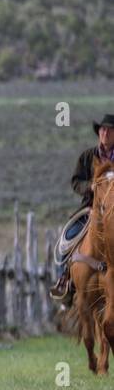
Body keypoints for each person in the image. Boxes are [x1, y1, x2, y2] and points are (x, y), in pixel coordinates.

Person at [52, 114, 114, 299]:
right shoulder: (87, 156)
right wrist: (90, 186)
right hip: (91, 208)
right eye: (103, 129)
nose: (105, 133)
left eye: (110, 130)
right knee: (68, 237)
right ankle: (64, 280)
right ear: (99, 133)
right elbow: (75, 181)